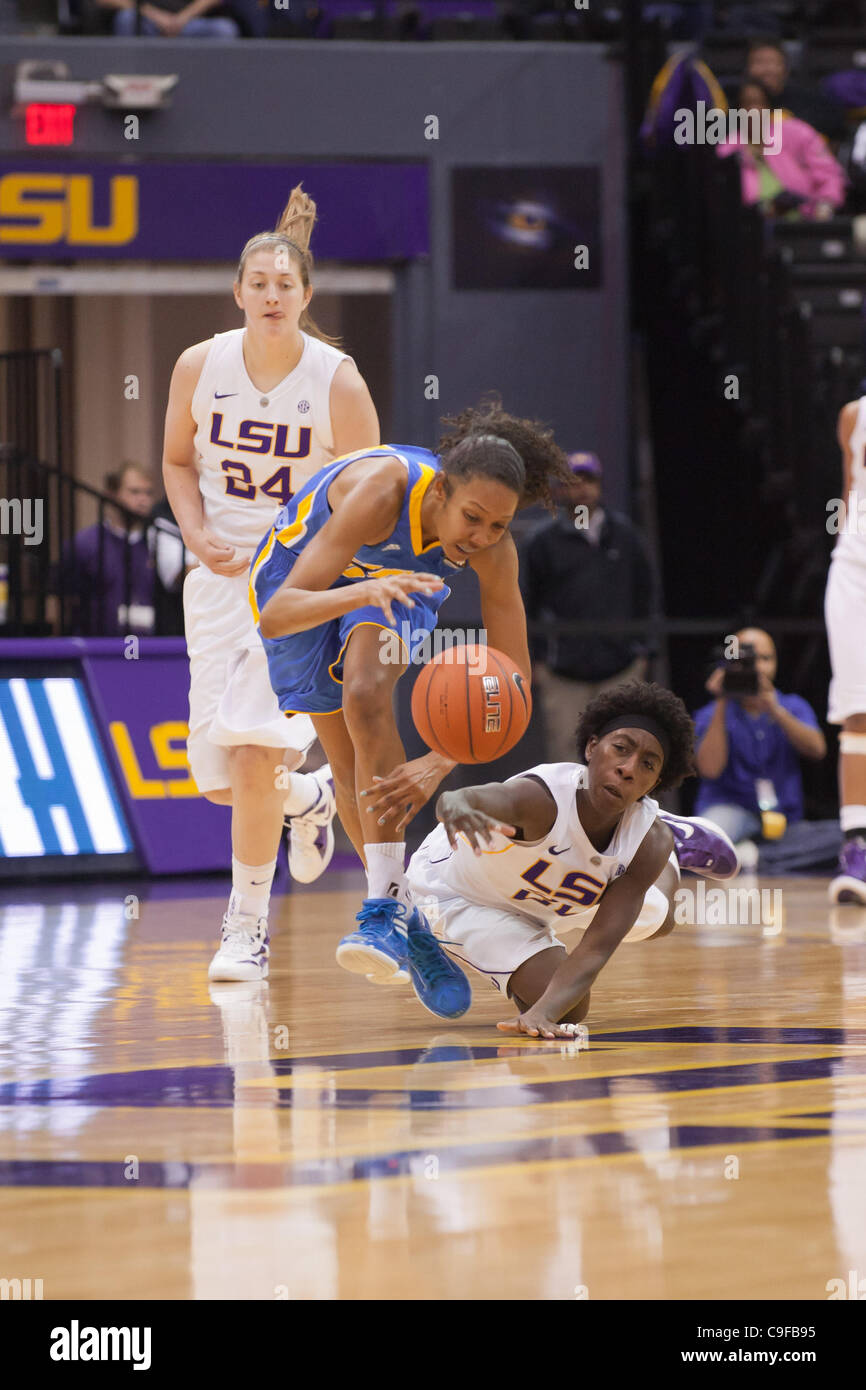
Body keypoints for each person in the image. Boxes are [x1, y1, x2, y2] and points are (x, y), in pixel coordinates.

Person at [250, 398, 571, 1016]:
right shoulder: (381, 492)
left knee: (368, 694)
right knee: (346, 769)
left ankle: (381, 911)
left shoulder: (491, 550)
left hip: (396, 586)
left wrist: (443, 757)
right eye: (472, 518)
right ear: (441, 491)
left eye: (497, 527)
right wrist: (364, 586)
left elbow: (513, 681)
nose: (479, 537)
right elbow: (279, 611)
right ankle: (410, 921)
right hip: (298, 580)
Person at [161, 185, 380, 982]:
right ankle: (310, 801)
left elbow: (372, 495)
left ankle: (245, 931)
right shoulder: (200, 364)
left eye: (285, 282)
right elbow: (178, 463)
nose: (272, 293)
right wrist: (195, 530)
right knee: (226, 784)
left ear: (306, 294)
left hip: (294, 588)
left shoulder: (338, 381)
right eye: (259, 282)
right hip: (216, 583)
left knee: (254, 755)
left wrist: (324, 579)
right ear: (239, 292)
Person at [406, 681, 739, 1039]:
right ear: (593, 746)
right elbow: (471, 798)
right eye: (620, 749)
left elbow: (596, 947)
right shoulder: (541, 799)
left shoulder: (647, 841)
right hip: (460, 893)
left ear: (656, 780)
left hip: (552, 895)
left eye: (647, 764)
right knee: (573, 1010)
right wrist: (454, 804)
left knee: (662, 920)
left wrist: (542, 1015)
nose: (628, 768)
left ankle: (673, 845)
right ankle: (419, 927)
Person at [520, 451, 654, 762]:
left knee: (622, 754)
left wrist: (644, 650)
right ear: (559, 488)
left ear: (600, 486)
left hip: (620, 666)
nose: (581, 488)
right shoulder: (542, 542)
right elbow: (526, 604)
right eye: (572, 481)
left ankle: (621, 814)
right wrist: (535, 660)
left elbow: (647, 595)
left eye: (588, 481)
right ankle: (566, 813)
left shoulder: (626, 536)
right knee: (566, 757)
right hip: (562, 671)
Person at [694, 627, 829, 870]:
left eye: (766, 658)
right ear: (729, 664)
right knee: (703, 840)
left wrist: (774, 709)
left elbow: (817, 750)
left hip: (784, 818)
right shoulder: (711, 714)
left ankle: (753, 857)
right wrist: (722, 699)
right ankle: (758, 856)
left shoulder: (792, 706)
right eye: (748, 660)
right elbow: (709, 770)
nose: (758, 667)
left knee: (844, 836)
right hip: (730, 809)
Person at [826, 398, 866, 904]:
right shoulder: (853, 416)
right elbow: (847, 494)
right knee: (858, 714)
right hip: (856, 571)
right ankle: (858, 848)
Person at [716, 78, 846, 221]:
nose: (753, 110)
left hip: (805, 222)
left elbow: (830, 174)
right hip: (752, 228)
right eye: (747, 104)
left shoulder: (798, 133)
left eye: (759, 103)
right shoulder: (726, 150)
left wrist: (826, 204)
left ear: (769, 107)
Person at [66, 461, 157, 637]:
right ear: (112, 495)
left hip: (151, 648)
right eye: (134, 492)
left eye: (148, 493)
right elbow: (68, 597)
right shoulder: (86, 543)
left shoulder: (159, 543)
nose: (143, 500)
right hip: (99, 647)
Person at [745, 37, 847, 146]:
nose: (767, 69)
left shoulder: (811, 102)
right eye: (759, 62)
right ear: (748, 69)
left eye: (773, 62)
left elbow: (837, 133)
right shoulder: (737, 104)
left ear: (786, 69)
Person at [96, 0, 240, 38]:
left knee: (224, 29)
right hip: (146, 22)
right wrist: (153, 14)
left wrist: (182, 19)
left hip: (189, 24)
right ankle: (128, 75)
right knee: (126, 19)